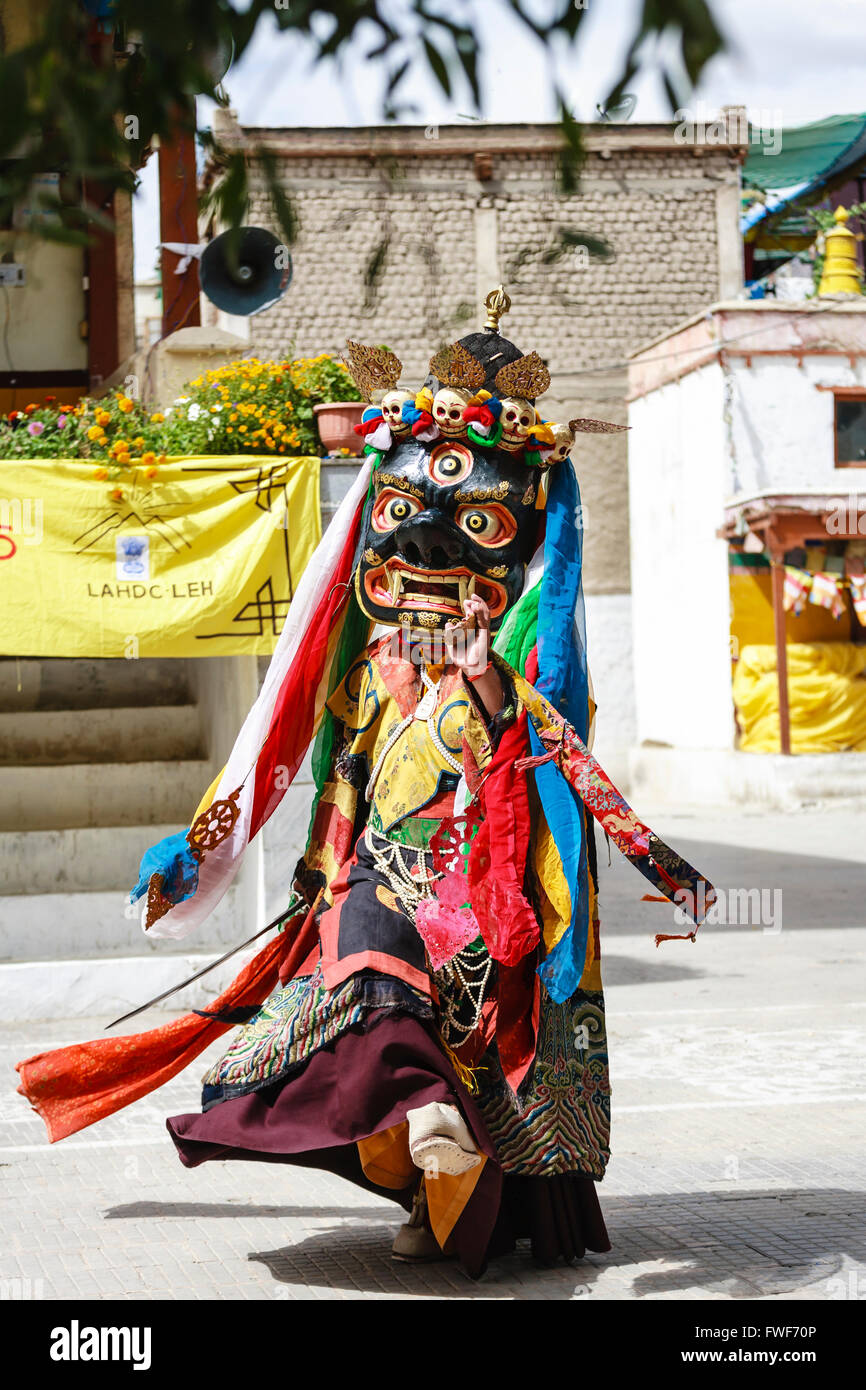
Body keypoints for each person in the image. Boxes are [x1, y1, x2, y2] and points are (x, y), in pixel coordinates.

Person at [17, 289, 712, 1279]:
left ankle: (459, 1187)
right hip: (371, 884)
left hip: (477, 892)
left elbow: (554, 767)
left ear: (521, 540)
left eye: (475, 521)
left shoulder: (509, 668)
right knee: (344, 1017)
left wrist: (640, 850)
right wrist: (241, 857)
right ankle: (427, 1172)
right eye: (403, 515)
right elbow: (308, 759)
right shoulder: (363, 663)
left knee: (443, 1019)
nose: (428, 548)